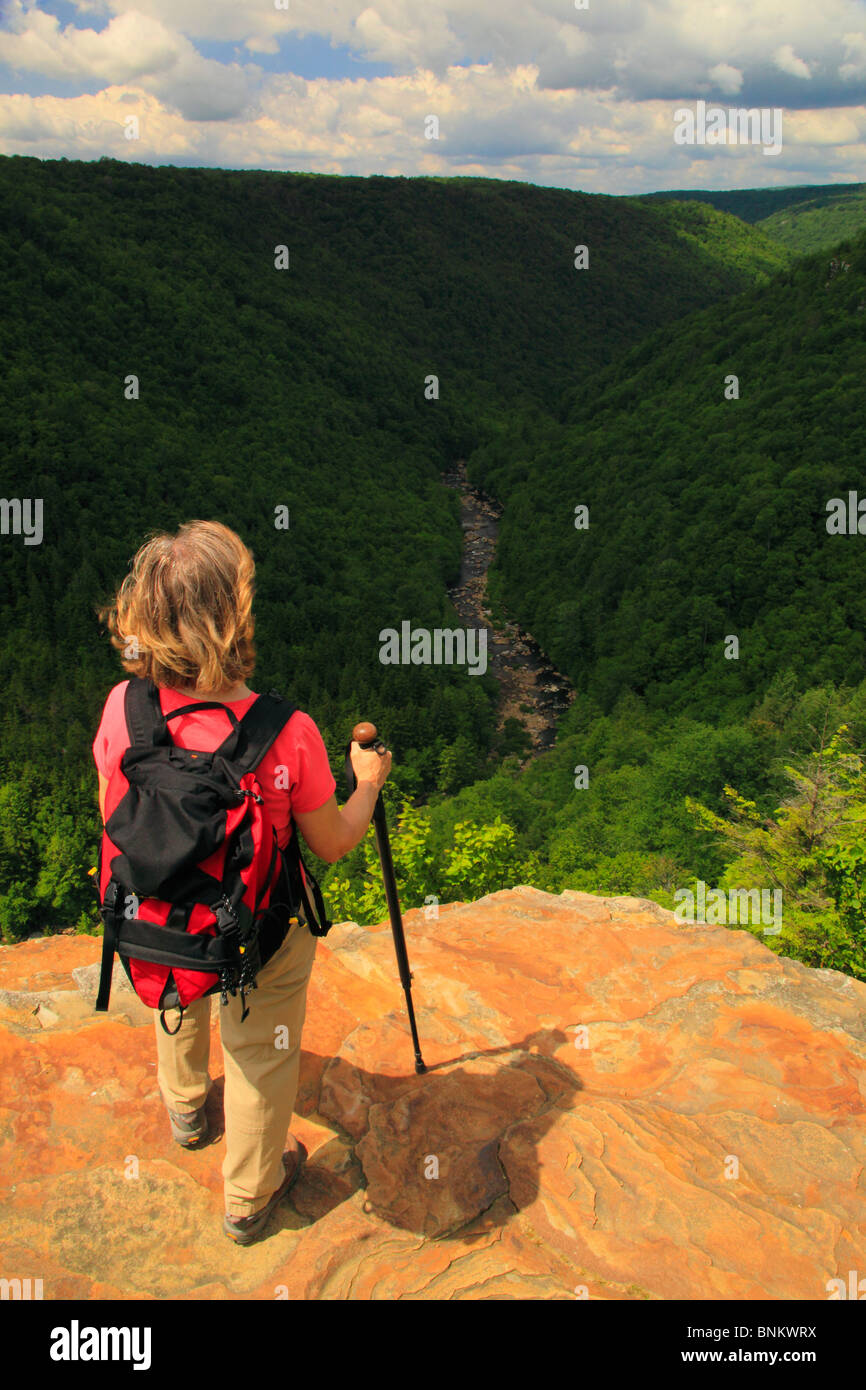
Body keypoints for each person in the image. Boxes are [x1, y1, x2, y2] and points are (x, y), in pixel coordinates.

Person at [92, 519, 391, 1243]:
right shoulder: (286, 731)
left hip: (154, 919)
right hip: (255, 930)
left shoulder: (123, 709)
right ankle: (249, 1199)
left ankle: (187, 1108)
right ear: (234, 617)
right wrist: (369, 783)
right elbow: (333, 842)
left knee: (177, 980)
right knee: (260, 1054)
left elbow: (114, 816)